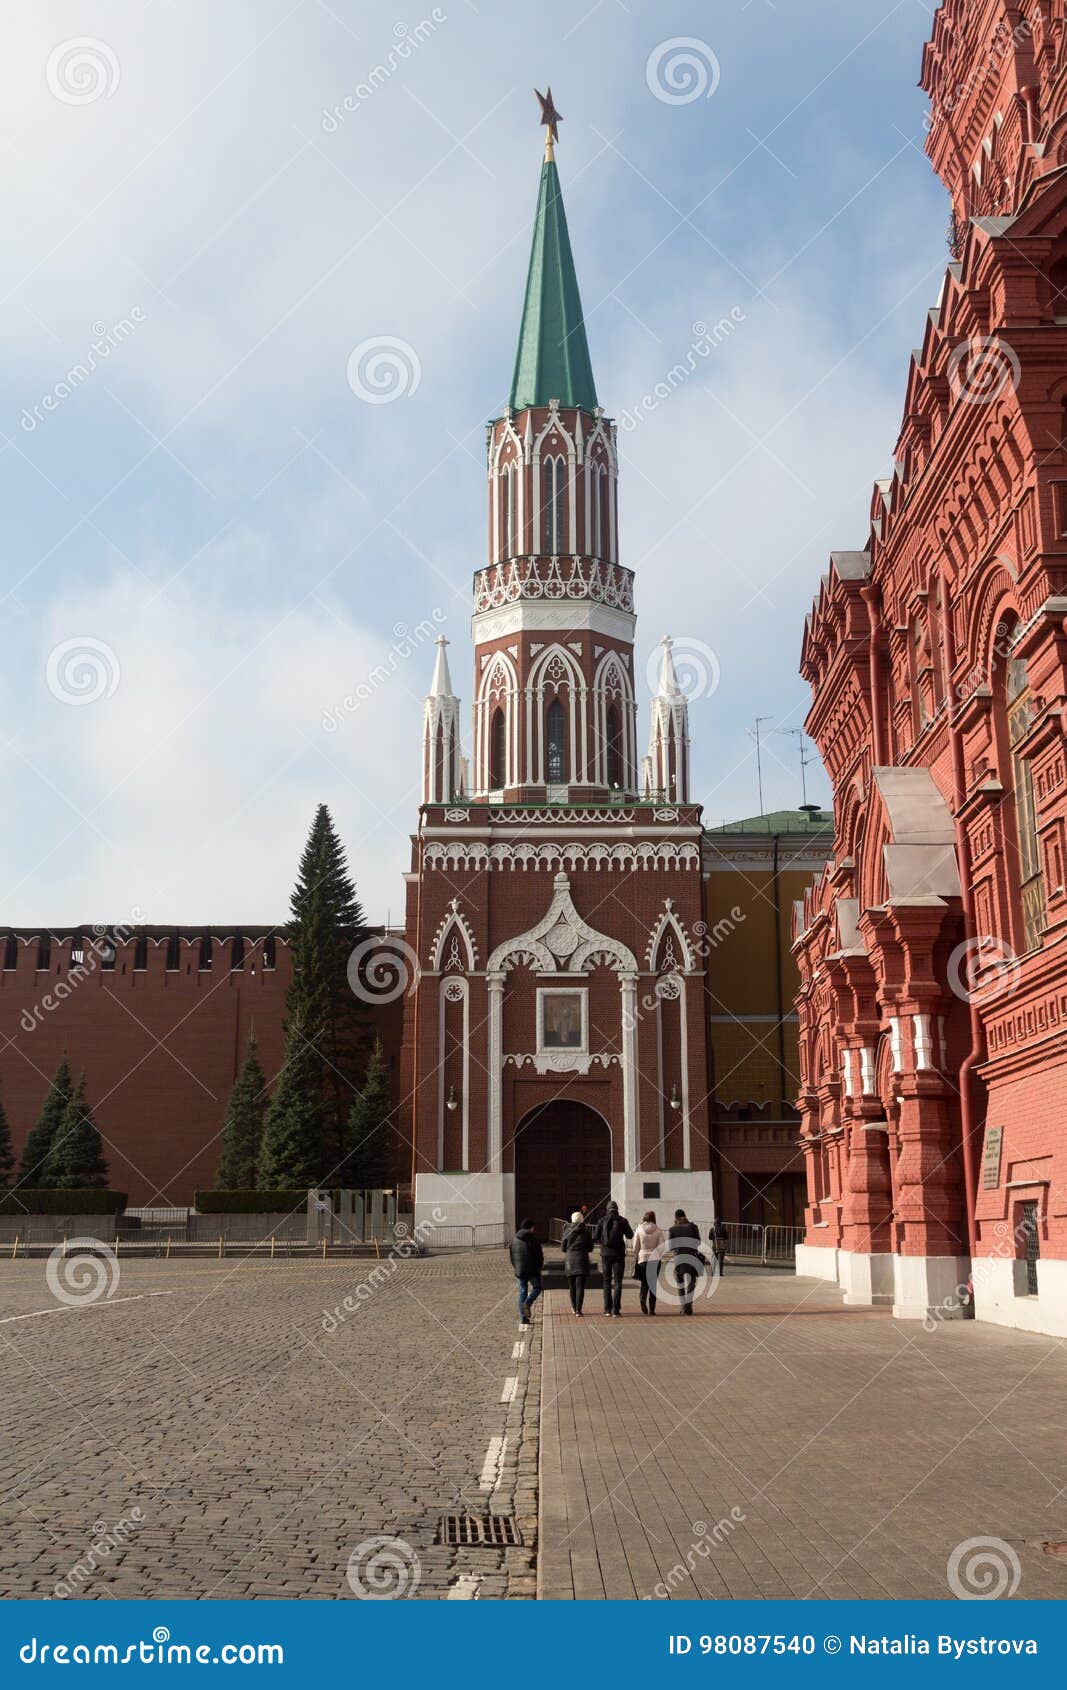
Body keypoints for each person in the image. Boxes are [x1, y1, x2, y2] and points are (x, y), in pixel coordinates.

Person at [597, 1200, 633, 1317]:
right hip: (619, 1255)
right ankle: (616, 1310)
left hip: (606, 1254)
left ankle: (607, 1309)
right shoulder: (622, 1220)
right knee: (618, 1282)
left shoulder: (602, 1220)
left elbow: (594, 1236)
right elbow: (630, 1235)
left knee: (606, 1281)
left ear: (607, 1209)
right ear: (617, 1209)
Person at [668, 1208, 703, 1316]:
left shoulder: (672, 1229)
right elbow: (698, 1242)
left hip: (679, 1257)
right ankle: (689, 1305)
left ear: (676, 1218)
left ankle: (683, 1306)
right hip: (692, 1256)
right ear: (685, 1216)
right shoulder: (693, 1227)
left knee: (680, 1282)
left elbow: (670, 1247)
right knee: (691, 1281)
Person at [509, 1218, 544, 1325]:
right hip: (533, 1270)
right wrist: (539, 1268)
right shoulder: (532, 1239)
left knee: (523, 1291)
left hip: (520, 1270)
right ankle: (527, 1303)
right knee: (537, 1288)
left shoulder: (514, 1239)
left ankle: (523, 1318)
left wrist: (516, 1267)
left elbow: (512, 1256)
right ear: (531, 1227)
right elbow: (539, 1256)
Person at [560, 1209, 594, 1316]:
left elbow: (563, 1248)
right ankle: (579, 1310)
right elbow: (590, 1248)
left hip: (570, 1260)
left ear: (572, 1220)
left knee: (572, 1286)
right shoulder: (586, 1232)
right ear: (582, 1220)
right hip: (582, 1260)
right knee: (580, 1287)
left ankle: (574, 1307)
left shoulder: (567, 1231)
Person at [632, 1210, 665, 1315]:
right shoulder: (658, 1230)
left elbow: (635, 1246)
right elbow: (662, 1246)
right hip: (655, 1260)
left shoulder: (639, 1229)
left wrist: (636, 1256)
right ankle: (652, 1309)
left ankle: (642, 1299)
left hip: (643, 1259)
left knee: (644, 1282)